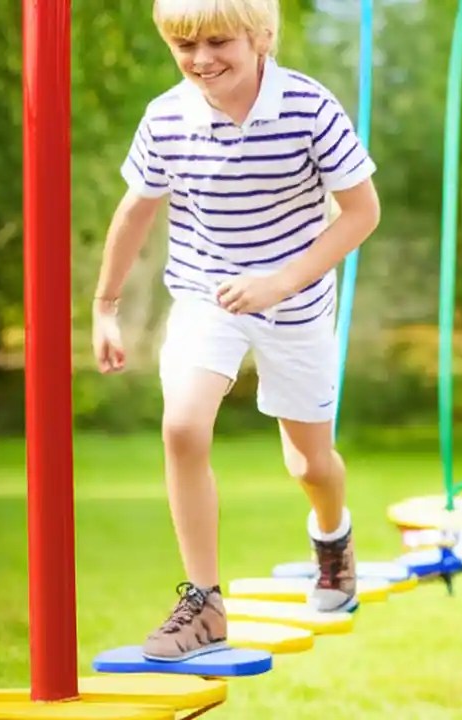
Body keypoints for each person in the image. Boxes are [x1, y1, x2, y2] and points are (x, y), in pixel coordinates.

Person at [90, 0, 380, 662]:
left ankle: (332, 535)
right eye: (184, 45)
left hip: (297, 302)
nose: (201, 59)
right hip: (207, 294)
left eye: (217, 41)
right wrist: (105, 305)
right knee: (182, 427)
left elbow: (362, 212)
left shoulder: (308, 108)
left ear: (260, 36)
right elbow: (137, 209)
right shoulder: (167, 117)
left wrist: (281, 282)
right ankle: (204, 602)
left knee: (309, 463)